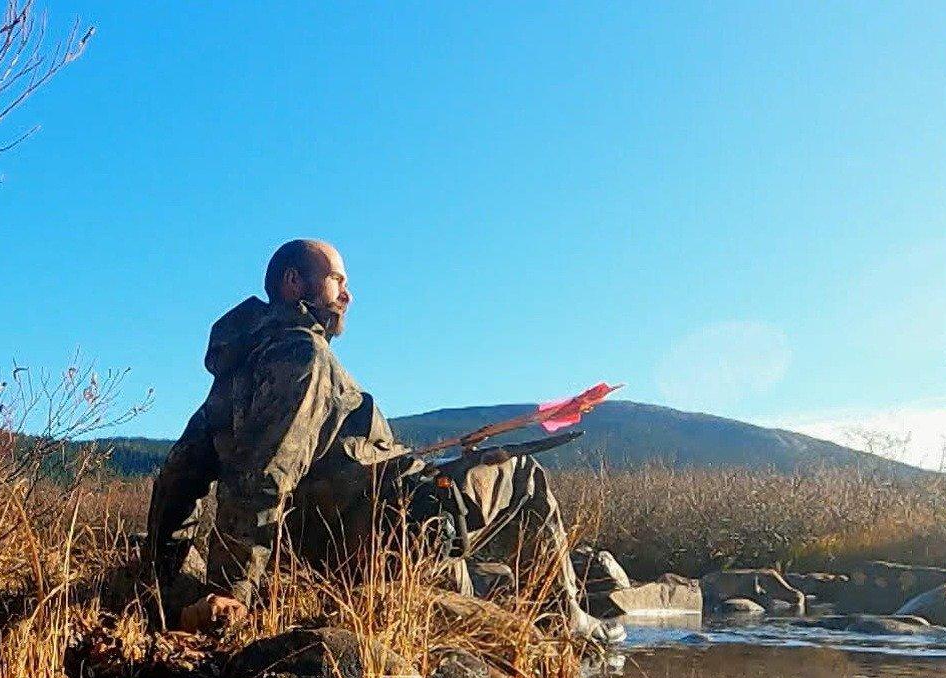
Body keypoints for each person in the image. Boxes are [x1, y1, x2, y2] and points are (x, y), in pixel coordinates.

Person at [145, 238, 620, 644]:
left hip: (340, 536)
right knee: (524, 476)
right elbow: (265, 474)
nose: (348, 294)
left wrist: (163, 576)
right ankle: (567, 619)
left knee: (467, 555)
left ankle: (489, 602)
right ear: (294, 283)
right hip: (375, 532)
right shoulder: (304, 355)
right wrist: (231, 593)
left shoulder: (240, 367)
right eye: (337, 279)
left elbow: (178, 477)